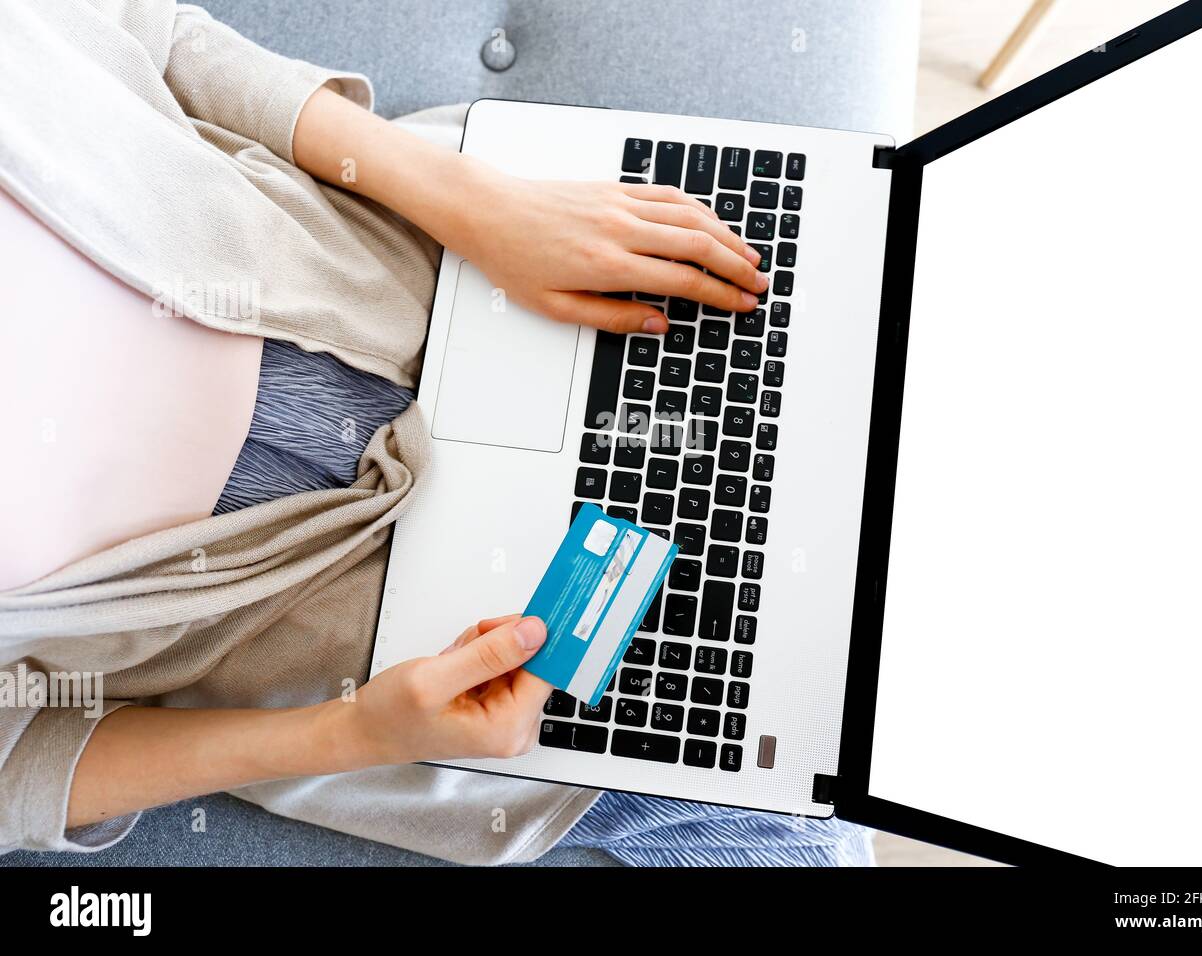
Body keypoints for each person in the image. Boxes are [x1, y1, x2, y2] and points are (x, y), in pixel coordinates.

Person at [0, 1, 871, 866]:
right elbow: (19, 771)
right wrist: (346, 735)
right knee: (794, 805)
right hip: (334, 615)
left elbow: (152, 38)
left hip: (429, 254)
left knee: (859, 317)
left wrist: (478, 201)